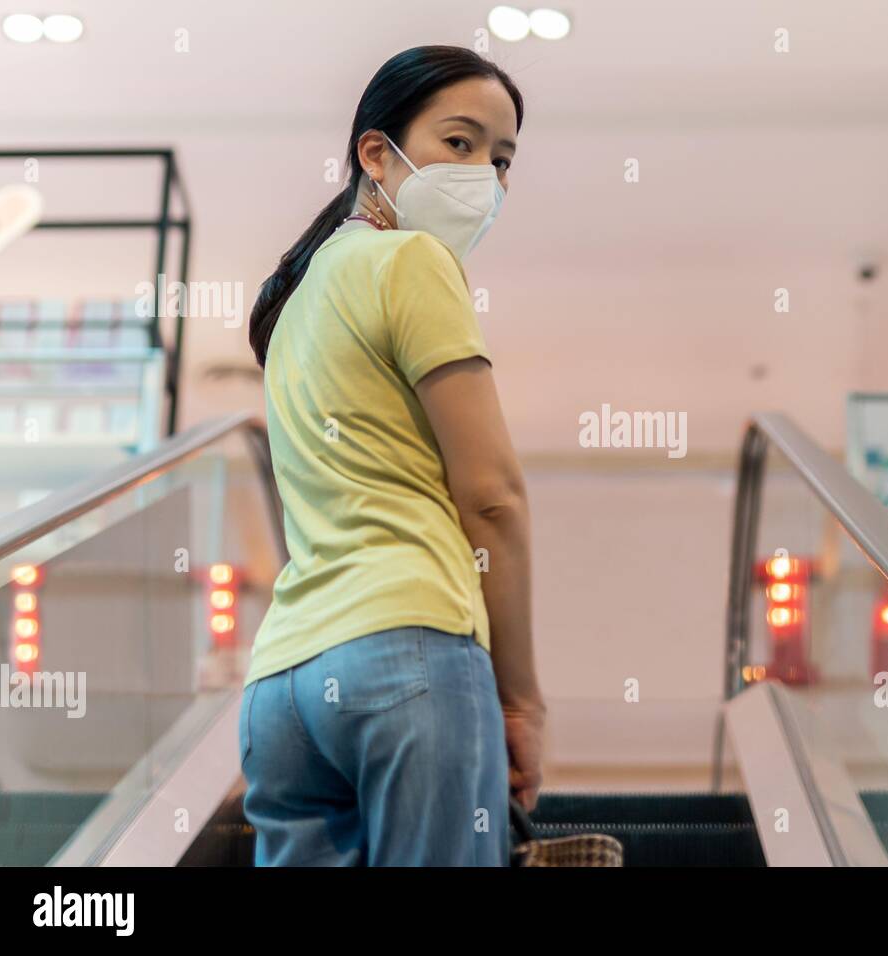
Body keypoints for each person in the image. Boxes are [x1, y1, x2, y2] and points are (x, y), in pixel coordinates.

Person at [239, 45, 544, 866]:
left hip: (281, 689)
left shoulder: (295, 307)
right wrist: (521, 705)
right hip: (408, 652)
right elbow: (493, 500)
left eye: (502, 157)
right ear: (377, 152)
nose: (484, 172)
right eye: (460, 141)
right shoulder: (412, 260)